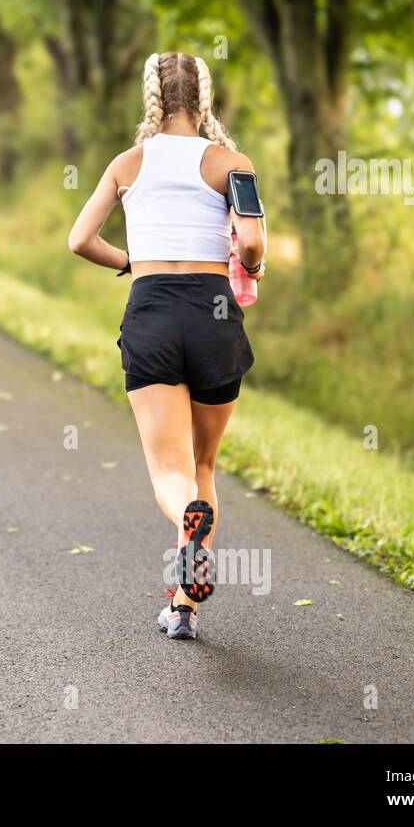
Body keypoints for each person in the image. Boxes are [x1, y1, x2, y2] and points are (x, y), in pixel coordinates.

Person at [67, 51, 265, 640]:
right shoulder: (232, 163)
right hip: (213, 314)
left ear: (150, 97)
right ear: (203, 98)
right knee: (203, 464)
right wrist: (247, 260)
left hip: (152, 311)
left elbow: (80, 239)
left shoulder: (127, 164)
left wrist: (130, 262)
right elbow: (252, 244)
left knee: (169, 470)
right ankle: (184, 605)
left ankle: (186, 524)